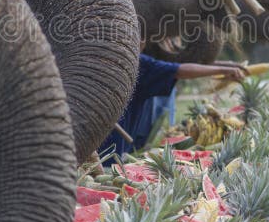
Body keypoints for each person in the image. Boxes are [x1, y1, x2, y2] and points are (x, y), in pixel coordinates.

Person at [98, 49, 247, 157]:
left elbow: (178, 64)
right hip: (110, 150)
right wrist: (223, 69)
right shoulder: (139, 62)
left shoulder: (129, 59)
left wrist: (222, 66)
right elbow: (179, 69)